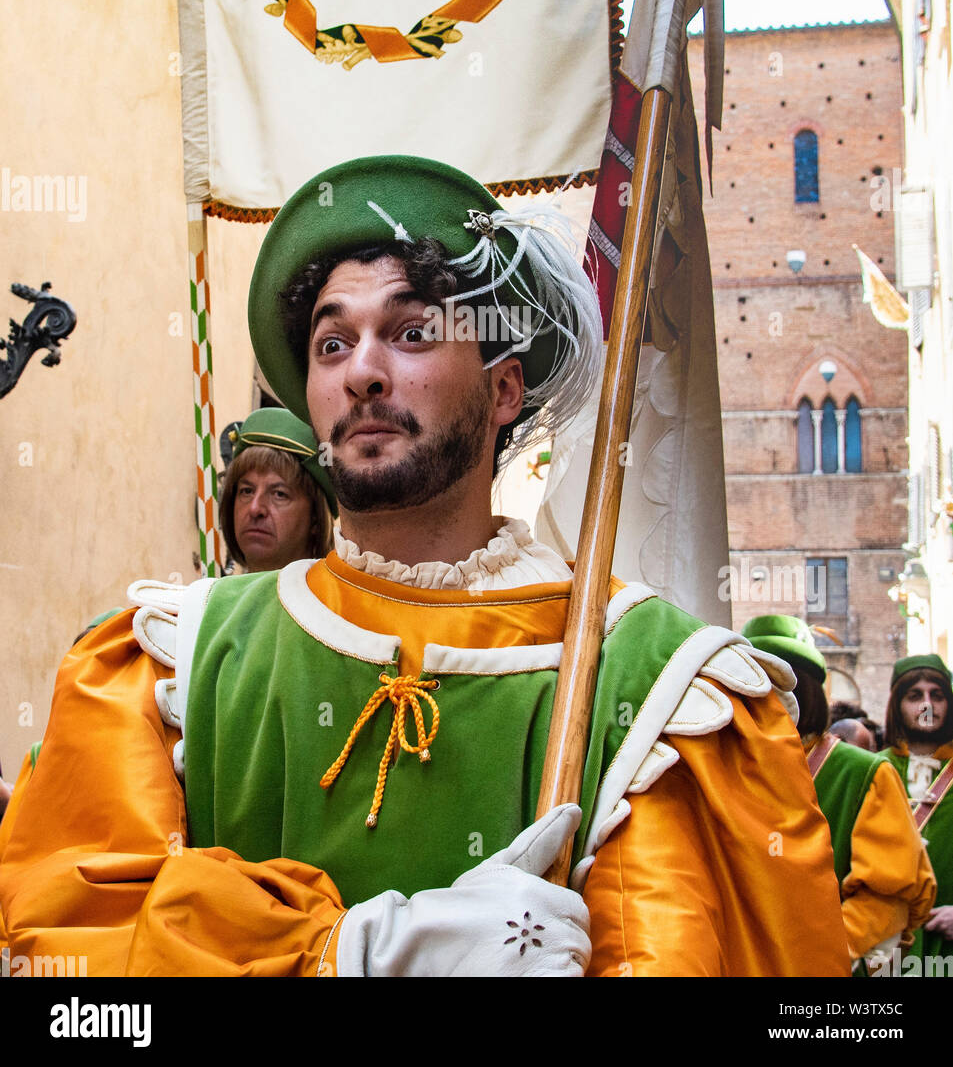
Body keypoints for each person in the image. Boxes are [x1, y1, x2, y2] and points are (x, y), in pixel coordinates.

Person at [0, 156, 851, 977]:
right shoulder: (170, 662)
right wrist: (350, 958)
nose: (363, 371)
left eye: (411, 333)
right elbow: (73, 954)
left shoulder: (660, 693)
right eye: (332, 345)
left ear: (504, 389)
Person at [742, 615, 935, 974]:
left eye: (781, 685)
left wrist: (813, 957)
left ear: (807, 693)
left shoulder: (863, 774)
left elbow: (889, 898)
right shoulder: (720, 768)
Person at [882, 654, 953, 974]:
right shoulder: (871, 769)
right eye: (914, 695)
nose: (927, 704)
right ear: (897, 704)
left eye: (936, 695)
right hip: (886, 952)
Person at [219, 407, 336, 572]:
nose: (255, 509)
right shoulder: (208, 596)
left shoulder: (335, 598)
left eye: (279, 494)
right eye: (247, 491)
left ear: (316, 517)